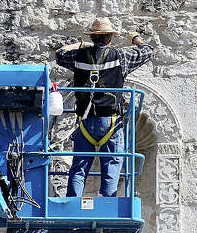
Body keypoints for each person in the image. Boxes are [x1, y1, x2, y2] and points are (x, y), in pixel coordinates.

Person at [52, 18, 154, 198]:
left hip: (85, 121)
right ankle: (108, 204)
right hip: (111, 123)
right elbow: (148, 51)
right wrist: (136, 39)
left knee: (79, 167)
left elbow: (59, 54)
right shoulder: (121, 56)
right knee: (112, 167)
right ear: (110, 38)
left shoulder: (79, 56)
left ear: (92, 38)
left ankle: (73, 203)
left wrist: (81, 43)